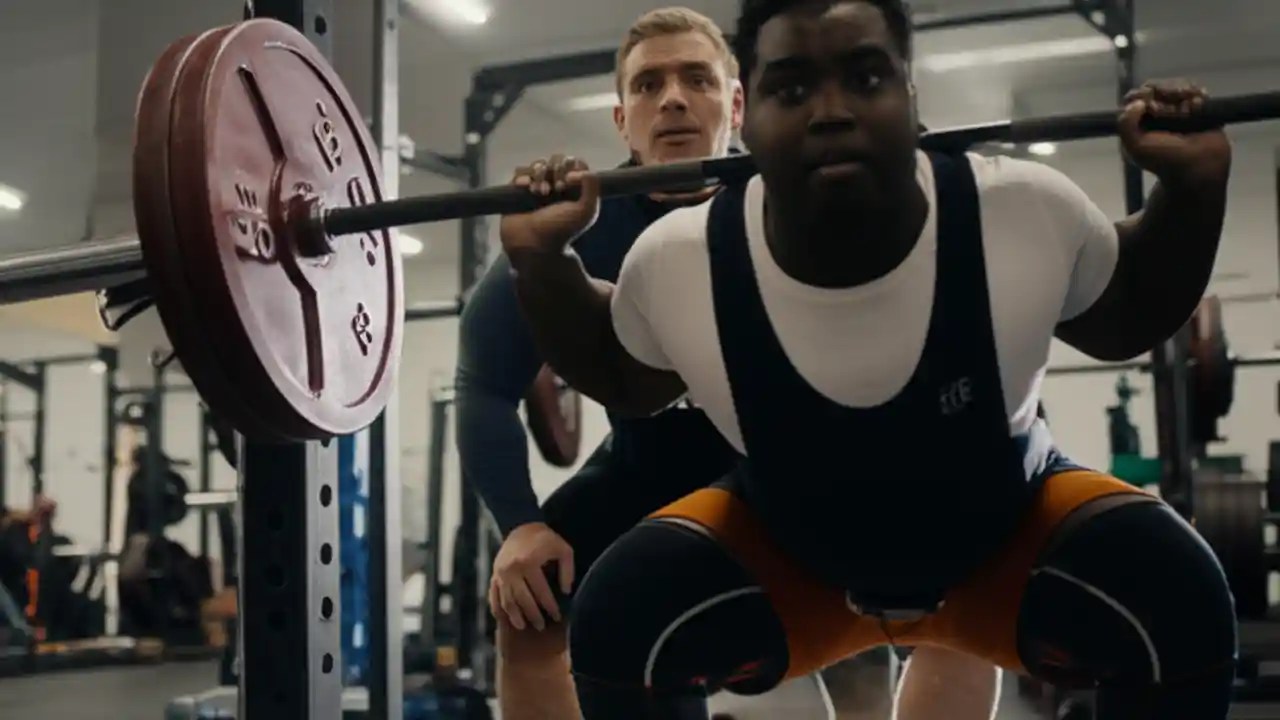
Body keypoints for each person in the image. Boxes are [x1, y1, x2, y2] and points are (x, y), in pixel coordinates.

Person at [497, 0, 1237, 718]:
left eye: (864, 77)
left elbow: (1126, 316)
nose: (831, 111)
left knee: (1177, 591)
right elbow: (621, 376)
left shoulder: (1021, 209)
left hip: (1003, 546)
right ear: (750, 116)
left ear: (910, 96)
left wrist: (1192, 190)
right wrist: (544, 266)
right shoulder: (680, 261)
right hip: (792, 564)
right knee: (621, 619)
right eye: (792, 89)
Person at [460, 6, 1001, 720]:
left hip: (806, 471)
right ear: (622, 121)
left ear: (738, 105)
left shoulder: (805, 193)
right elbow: (484, 386)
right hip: (647, 472)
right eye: (648, 86)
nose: (673, 100)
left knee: (966, 595)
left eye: (697, 79)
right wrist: (521, 525)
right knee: (529, 602)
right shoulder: (569, 232)